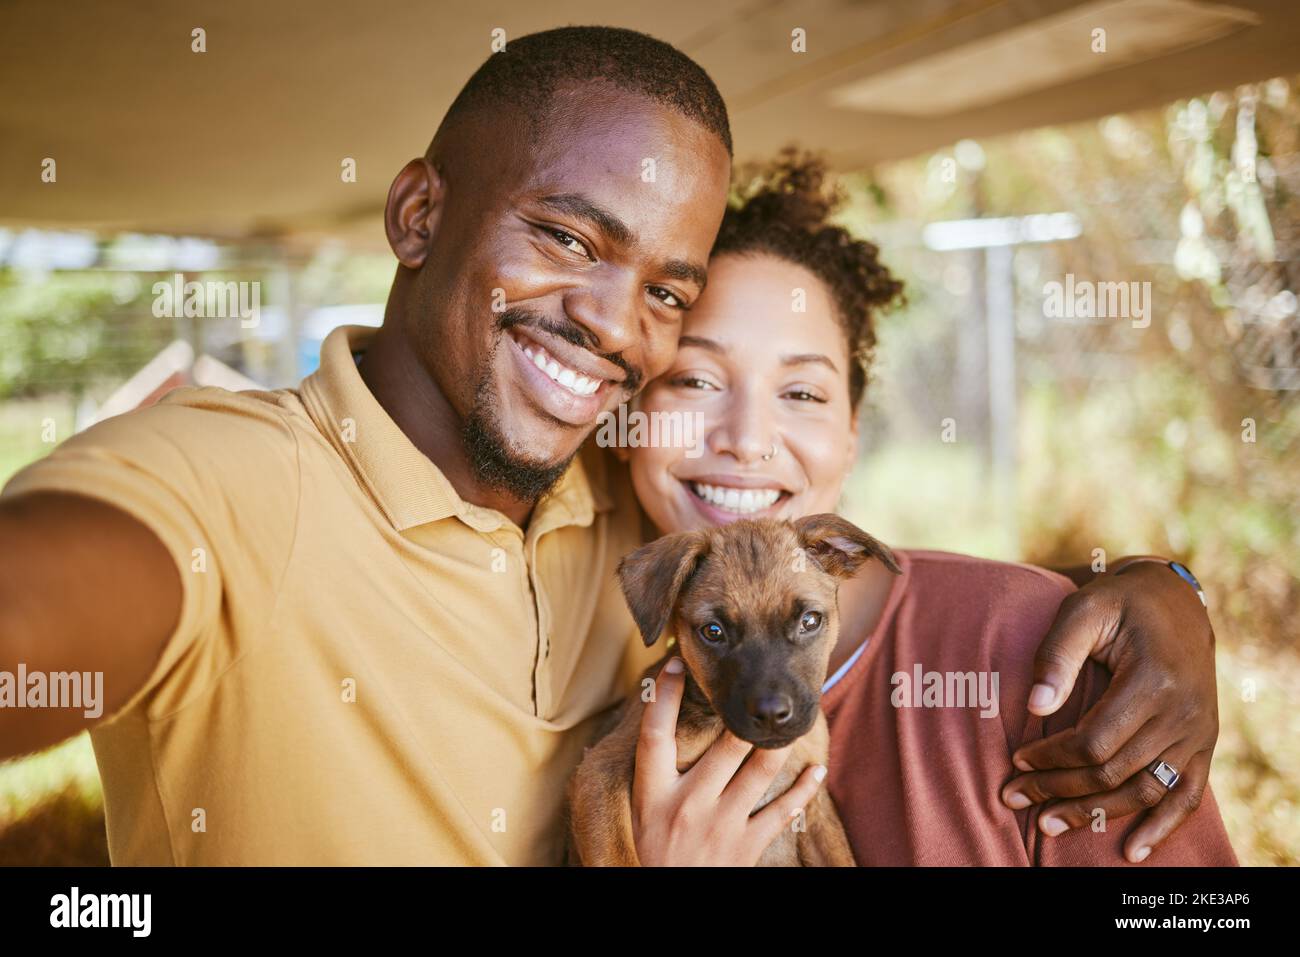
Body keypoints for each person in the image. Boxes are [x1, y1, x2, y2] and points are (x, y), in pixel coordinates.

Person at [0, 28, 1220, 866]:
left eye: (663, 292)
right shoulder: (233, 480)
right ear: (418, 213)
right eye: (571, 239)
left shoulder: (636, 513)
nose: (607, 322)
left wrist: (1163, 587)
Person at [616, 151, 1235, 865]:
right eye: (694, 379)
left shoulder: (1045, 655)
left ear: (851, 433)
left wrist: (1172, 585)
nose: (747, 440)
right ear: (631, 413)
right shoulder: (615, 617)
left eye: (803, 392)